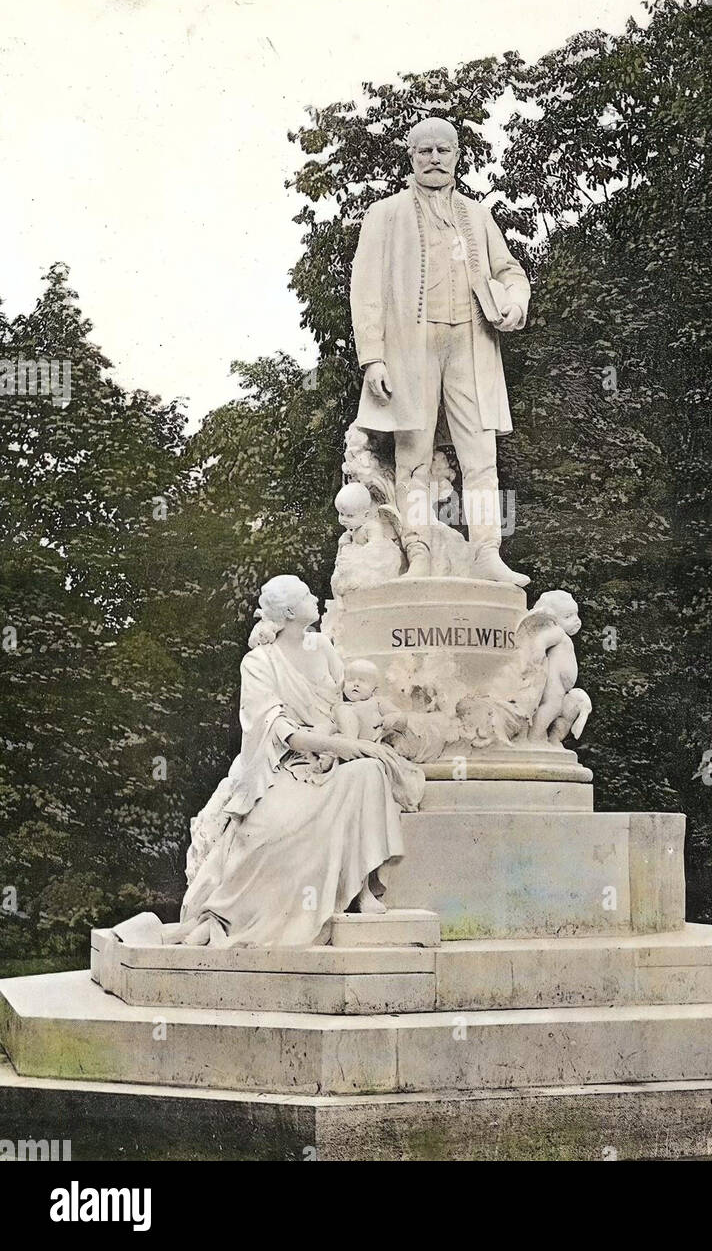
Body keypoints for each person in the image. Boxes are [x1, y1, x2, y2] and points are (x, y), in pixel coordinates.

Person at [174, 575, 423, 947]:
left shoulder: (322, 646)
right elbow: (278, 730)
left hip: (334, 753)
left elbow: (348, 699)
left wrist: (363, 733)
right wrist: (335, 746)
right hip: (284, 765)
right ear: (291, 612)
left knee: (369, 772)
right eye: (308, 595)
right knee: (272, 832)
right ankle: (237, 915)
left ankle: (360, 888)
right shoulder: (259, 662)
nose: (316, 598)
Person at [349, 115, 531, 585]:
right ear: (410, 157)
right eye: (424, 150)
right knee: (413, 455)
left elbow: (510, 272)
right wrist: (372, 357)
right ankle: (420, 552)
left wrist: (514, 302)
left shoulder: (477, 215)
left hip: (471, 342)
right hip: (413, 346)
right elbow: (365, 289)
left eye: (443, 150)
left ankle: (488, 550)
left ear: (457, 156)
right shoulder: (385, 214)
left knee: (481, 455)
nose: (434, 159)